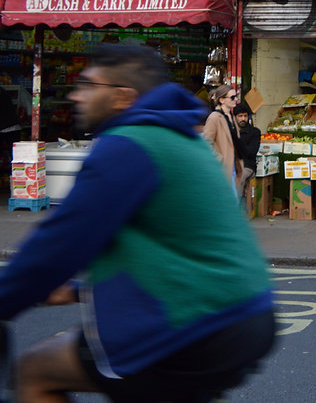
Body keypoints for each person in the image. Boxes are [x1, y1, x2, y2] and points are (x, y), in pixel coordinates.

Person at [0, 44, 275, 402]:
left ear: (120, 97)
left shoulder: (128, 145)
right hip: (241, 314)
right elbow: (170, 242)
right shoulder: (177, 134)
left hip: (191, 326)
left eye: (88, 85)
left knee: (34, 371)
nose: (75, 95)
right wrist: (77, 289)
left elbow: (57, 245)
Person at [204, 83, 249, 200]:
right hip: (223, 167)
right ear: (222, 100)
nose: (236, 100)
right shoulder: (214, 117)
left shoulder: (231, 116)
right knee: (231, 201)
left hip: (234, 165)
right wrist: (219, 159)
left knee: (231, 200)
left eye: (236, 96)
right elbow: (206, 142)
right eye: (232, 97)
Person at [234, 100, 262, 177]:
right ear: (235, 117)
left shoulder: (254, 132)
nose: (243, 119)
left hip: (248, 167)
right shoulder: (231, 131)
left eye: (245, 116)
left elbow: (250, 152)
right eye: (240, 116)